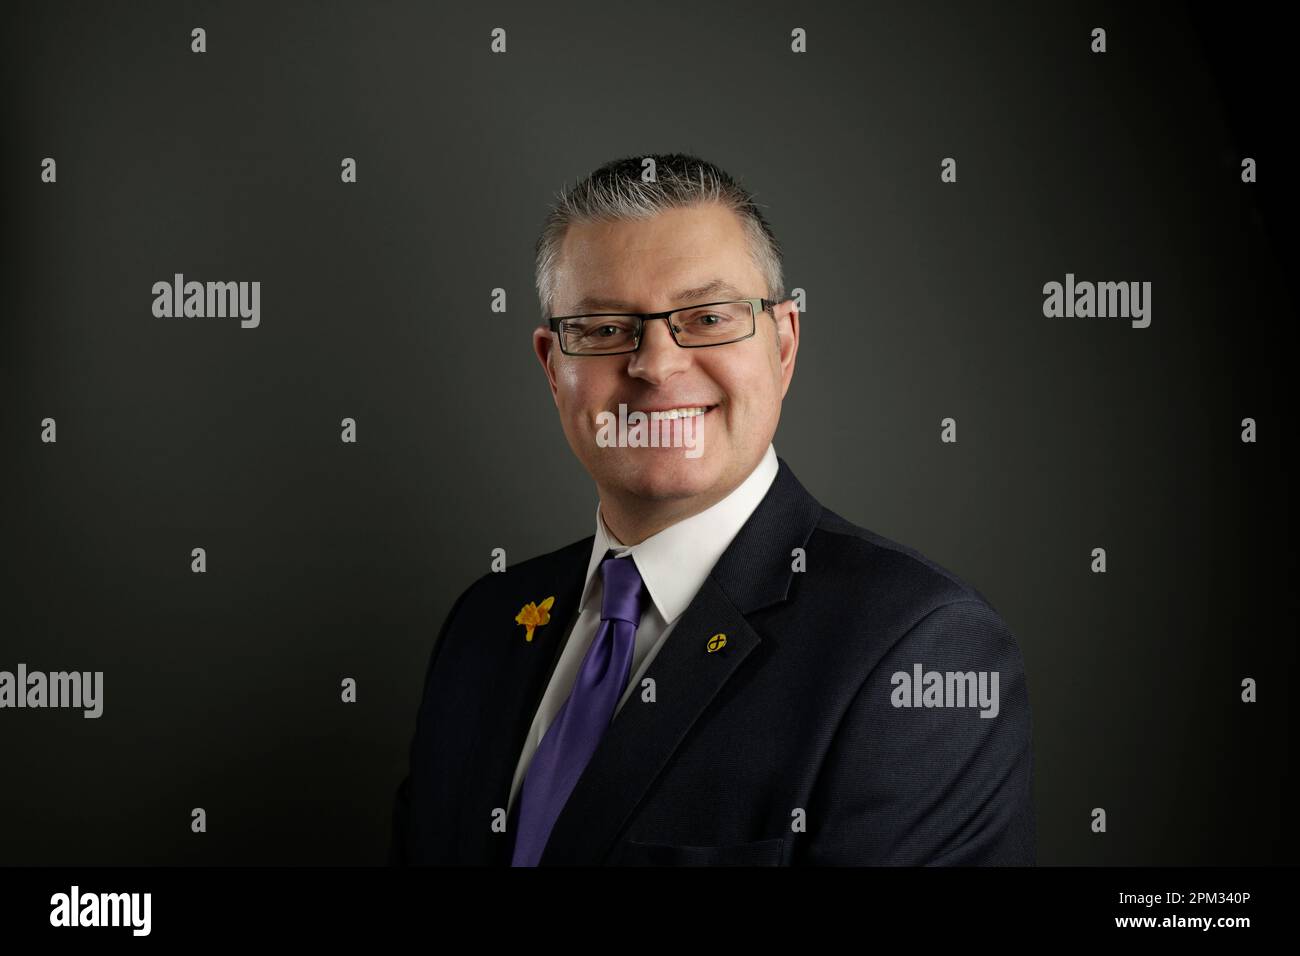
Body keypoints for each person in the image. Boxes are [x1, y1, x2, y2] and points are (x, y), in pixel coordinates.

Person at [390, 153, 1035, 866]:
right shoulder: (484, 626)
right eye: (604, 328)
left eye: (706, 318)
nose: (657, 366)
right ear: (553, 366)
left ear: (784, 344)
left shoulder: (915, 650)